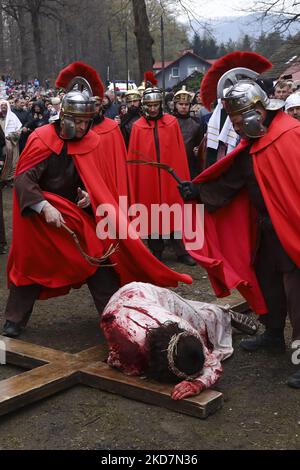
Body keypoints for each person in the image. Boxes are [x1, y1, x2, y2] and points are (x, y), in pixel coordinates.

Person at [2, 62, 192, 339]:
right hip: (42, 220)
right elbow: (24, 180)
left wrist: (89, 197)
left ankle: (114, 316)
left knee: (99, 260)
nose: (82, 127)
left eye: (86, 121)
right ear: (64, 117)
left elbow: (93, 180)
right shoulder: (42, 139)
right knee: (31, 267)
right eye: (77, 121)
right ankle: (14, 319)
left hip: (77, 217)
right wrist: (44, 206)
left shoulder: (89, 141)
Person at [178, 54, 300, 389]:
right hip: (266, 231)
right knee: (268, 286)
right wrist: (197, 192)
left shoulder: (290, 135)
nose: (233, 125)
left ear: (257, 109)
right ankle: (273, 336)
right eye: (230, 119)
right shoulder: (254, 143)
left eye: (237, 117)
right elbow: (231, 182)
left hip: (293, 232)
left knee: (298, 295)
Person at [101, 282, 257, 400]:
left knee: (202, 322)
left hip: (149, 298)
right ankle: (222, 314)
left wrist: (198, 383)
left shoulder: (183, 328)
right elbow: (118, 363)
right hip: (130, 298)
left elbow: (213, 365)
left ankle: (223, 314)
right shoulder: (128, 346)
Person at [127, 76, 195, 266]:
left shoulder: (172, 123)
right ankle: (156, 251)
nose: (153, 109)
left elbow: (178, 152)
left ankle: (181, 251)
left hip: (169, 176)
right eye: (150, 105)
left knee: (174, 210)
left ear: (161, 105)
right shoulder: (138, 127)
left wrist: (181, 177)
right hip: (148, 178)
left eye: (156, 105)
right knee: (151, 211)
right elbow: (135, 158)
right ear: (144, 106)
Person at [173, 86, 205, 179]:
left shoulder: (197, 123)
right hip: (173, 162)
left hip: (191, 165)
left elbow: (200, 145)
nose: (184, 107)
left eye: (186, 104)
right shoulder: (169, 122)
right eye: (181, 104)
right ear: (175, 105)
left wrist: (198, 150)